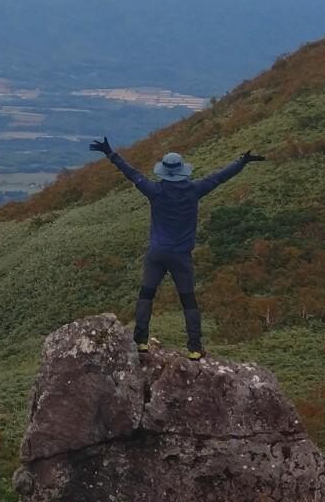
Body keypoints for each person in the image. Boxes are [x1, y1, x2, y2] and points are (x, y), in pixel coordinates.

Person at [89, 137, 265, 360]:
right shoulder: (194, 190)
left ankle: (141, 342)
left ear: (163, 171)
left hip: (157, 253)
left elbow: (132, 174)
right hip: (181, 256)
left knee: (146, 295)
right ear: (183, 171)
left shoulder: (155, 191)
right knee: (188, 300)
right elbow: (220, 177)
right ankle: (194, 348)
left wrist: (110, 154)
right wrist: (242, 161)